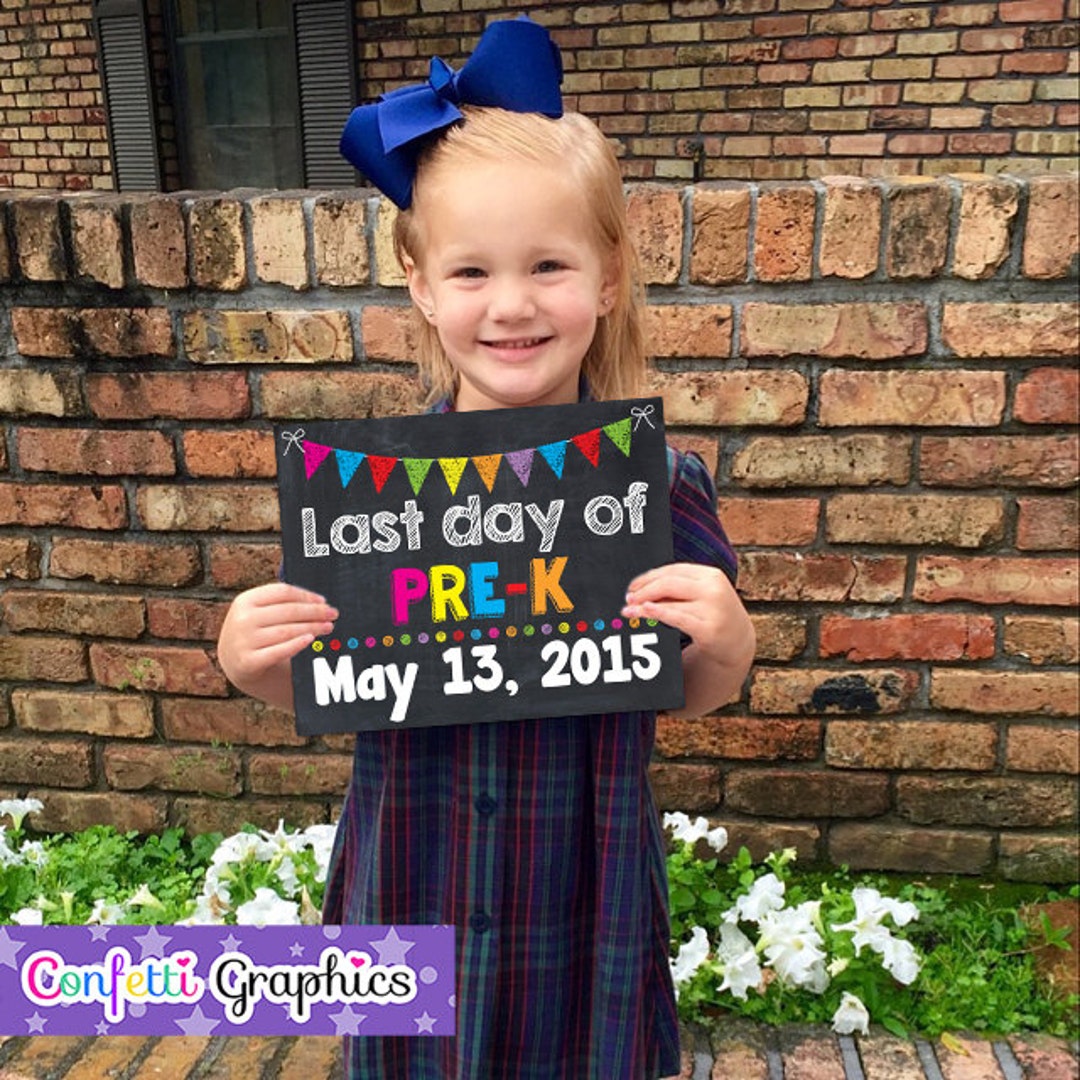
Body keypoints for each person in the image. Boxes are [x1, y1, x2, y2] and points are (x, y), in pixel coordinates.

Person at [217, 16, 755, 1079]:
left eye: (548, 265)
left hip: (581, 892)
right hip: (412, 875)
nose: (511, 306)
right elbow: (339, 680)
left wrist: (727, 644)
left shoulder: (657, 487)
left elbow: (688, 686)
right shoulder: (363, 500)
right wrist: (257, 666)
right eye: (471, 274)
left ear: (605, 279)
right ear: (421, 285)